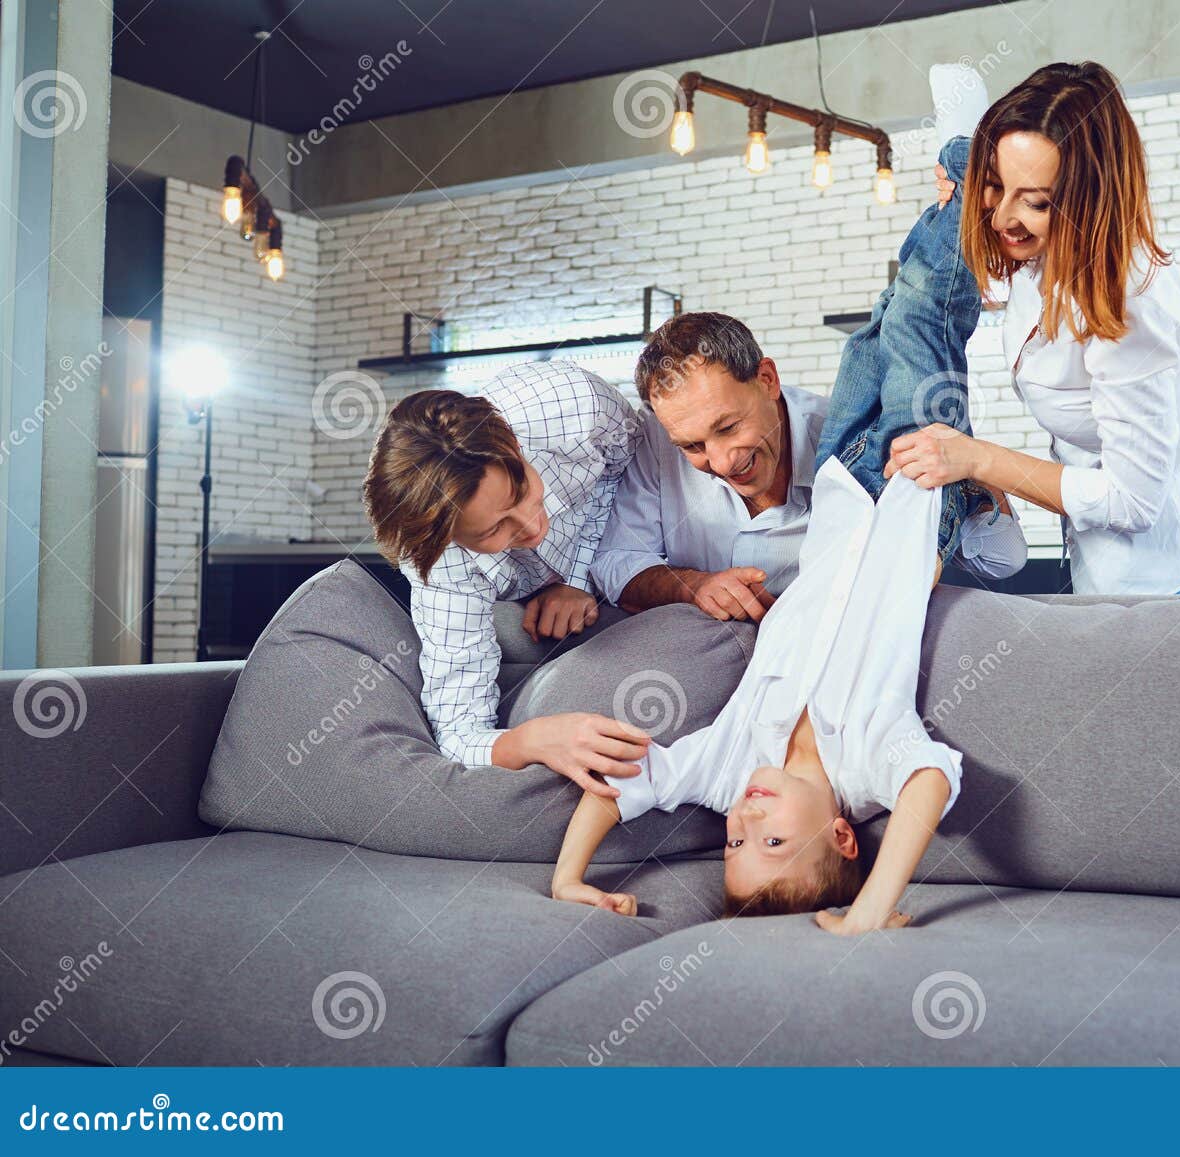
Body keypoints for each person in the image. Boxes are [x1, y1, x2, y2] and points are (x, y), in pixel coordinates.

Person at [549, 73, 1003, 933]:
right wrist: (871, 910)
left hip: (843, 482)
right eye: (772, 842)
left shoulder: (729, 764)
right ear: (842, 832)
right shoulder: (871, 760)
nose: (744, 822)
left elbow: (622, 785)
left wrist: (570, 878)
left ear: (764, 382)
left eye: (734, 843)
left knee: (886, 319)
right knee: (922, 318)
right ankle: (971, 154)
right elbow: (930, 784)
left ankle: (959, 185)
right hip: (916, 490)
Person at [887, 61, 1180, 596]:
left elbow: (1132, 502)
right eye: (996, 185)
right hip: (1102, 553)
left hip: (1169, 560)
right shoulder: (1035, 245)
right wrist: (963, 176)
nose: (1001, 218)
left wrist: (977, 459)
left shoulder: (1130, 305)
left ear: (1087, 201)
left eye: (1036, 201)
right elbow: (965, 119)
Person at [588, 307, 1026, 623]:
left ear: (767, 380)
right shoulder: (656, 440)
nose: (721, 462)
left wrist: (967, 460)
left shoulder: (859, 442)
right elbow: (615, 561)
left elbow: (1002, 560)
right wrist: (694, 585)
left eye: (729, 427)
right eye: (692, 446)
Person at [364, 361, 651, 793]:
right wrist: (531, 740)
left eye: (522, 493)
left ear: (514, 445)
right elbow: (458, 730)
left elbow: (642, 470)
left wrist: (577, 578)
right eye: (493, 530)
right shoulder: (441, 564)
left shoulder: (573, 402)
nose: (532, 529)